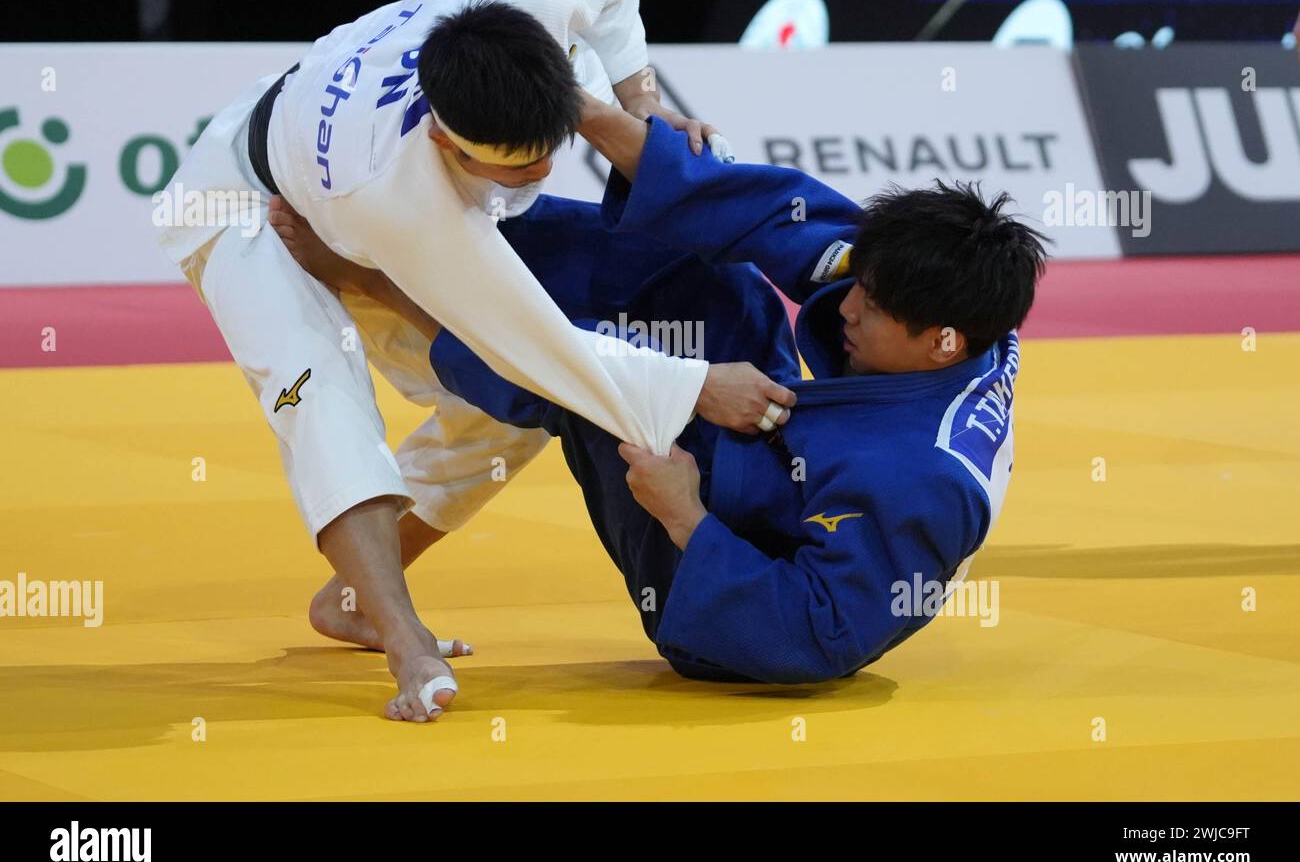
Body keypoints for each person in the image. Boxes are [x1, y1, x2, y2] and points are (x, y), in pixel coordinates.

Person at [153, 0, 789, 722]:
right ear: (450, 148)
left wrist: (643, 108)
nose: (545, 173)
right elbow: (536, 352)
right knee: (323, 404)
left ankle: (347, 594)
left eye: (551, 148)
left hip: (320, 134)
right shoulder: (402, 198)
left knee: (503, 415)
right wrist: (699, 384)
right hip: (247, 201)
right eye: (519, 167)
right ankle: (400, 636)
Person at [269, 94, 1049, 685]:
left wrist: (686, 515)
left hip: (718, 605)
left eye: (871, 311)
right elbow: (751, 211)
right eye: (860, 286)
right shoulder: (947, 291)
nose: (847, 306)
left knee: (616, 385)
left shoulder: (924, 483)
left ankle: (385, 278)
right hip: (784, 463)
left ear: (942, 342)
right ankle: (456, 240)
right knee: (710, 271)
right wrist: (579, 108)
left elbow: (823, 635)